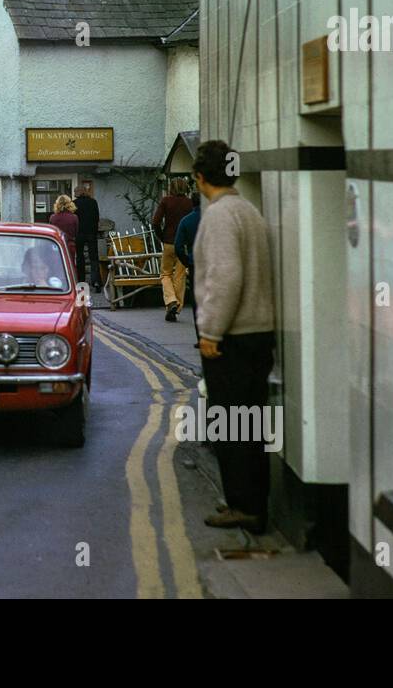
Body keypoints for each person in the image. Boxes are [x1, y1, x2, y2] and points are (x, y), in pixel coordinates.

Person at [192, 140, 276, 533]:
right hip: (257, 334)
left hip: (233, 338)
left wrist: (211, 331)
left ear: (200, 178)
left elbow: (225, 277)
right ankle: (254, 504)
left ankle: (243, 506)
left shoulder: (220, 215)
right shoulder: (249, 211)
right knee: (252, 423)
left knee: (230, 425)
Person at [151, 177, 194, 322]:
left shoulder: (166, 201)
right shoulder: (190, 203)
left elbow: (155, 221)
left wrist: (161, 236)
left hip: (169, 242)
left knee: (165, 274)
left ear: (172, 188)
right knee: (180, 276)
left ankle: (171, 301)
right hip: (185, 244)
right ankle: (177, 307)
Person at [174, 191, 202, 347]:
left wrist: (186, 262)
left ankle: (201, 337)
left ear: (193, 203)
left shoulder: (186, 221)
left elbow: (178, 247)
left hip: (195, 263)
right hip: (214, 263)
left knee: (197, 301)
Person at [73, 183, 101, 291]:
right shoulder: (93, 202)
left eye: (75, 192)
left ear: (79, 192)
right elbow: (96, 217)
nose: (74, 194)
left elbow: (74, 219)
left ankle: (81, 282)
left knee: (80, 257)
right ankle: (96, 282)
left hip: (79, 233)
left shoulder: (74, 204)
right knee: (94, 258)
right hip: (91, 233)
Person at [49, 194, 79, 263]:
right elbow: (76, 233)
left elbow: (52, 233)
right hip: (69, 245)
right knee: (70, 266)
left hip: (57, 245)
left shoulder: (53, 217)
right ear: (70, 204)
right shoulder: (74, 217)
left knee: (57, 265)